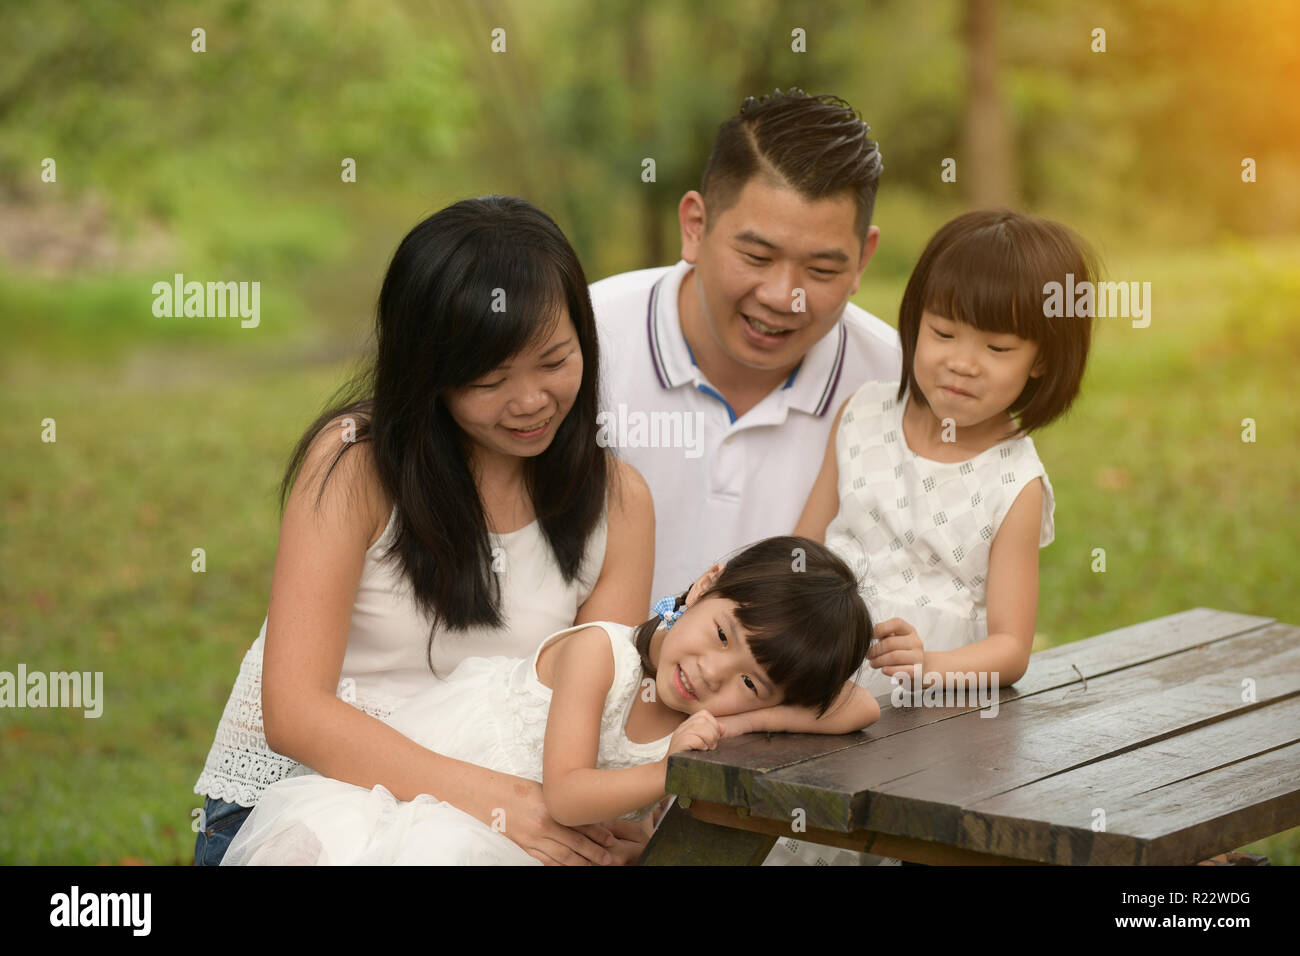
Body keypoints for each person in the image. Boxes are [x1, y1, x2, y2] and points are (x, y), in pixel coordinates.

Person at [192, 196, 656, 866]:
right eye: (490, 379)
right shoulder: (357, 465)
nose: (530, 401)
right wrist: (502, 803)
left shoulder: (618, 504)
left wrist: (600, 814)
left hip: (504, 815)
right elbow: (294, 712)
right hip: (308, 803)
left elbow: (604, 716)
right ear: (428, 374)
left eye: (554, 361)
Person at [220, 537, 879, 865]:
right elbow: (565, 796)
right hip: (425, 804)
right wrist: (669, 769)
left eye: (751, 680)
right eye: (722, 634)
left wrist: (756, 714)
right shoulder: (602, 653)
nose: (711, 674)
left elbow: (859, 708)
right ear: (705, 585)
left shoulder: (709, 718)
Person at [590, 88, 901, 601]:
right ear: (696, 225)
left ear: (863, 259)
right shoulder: (580, 344)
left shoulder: (900, 388)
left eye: (822, 269)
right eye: (757, 257)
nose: (784, 297)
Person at [797, 208, 1097, 697]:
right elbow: (803, 550)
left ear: (1041, 358)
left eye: (997, 348)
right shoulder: (862, 414)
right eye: (943, 334)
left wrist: (928, 665)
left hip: (924, 709)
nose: (962, 363)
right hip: (818, 664)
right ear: (917, 322)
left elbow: (1010, 648)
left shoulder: (1015, 483)